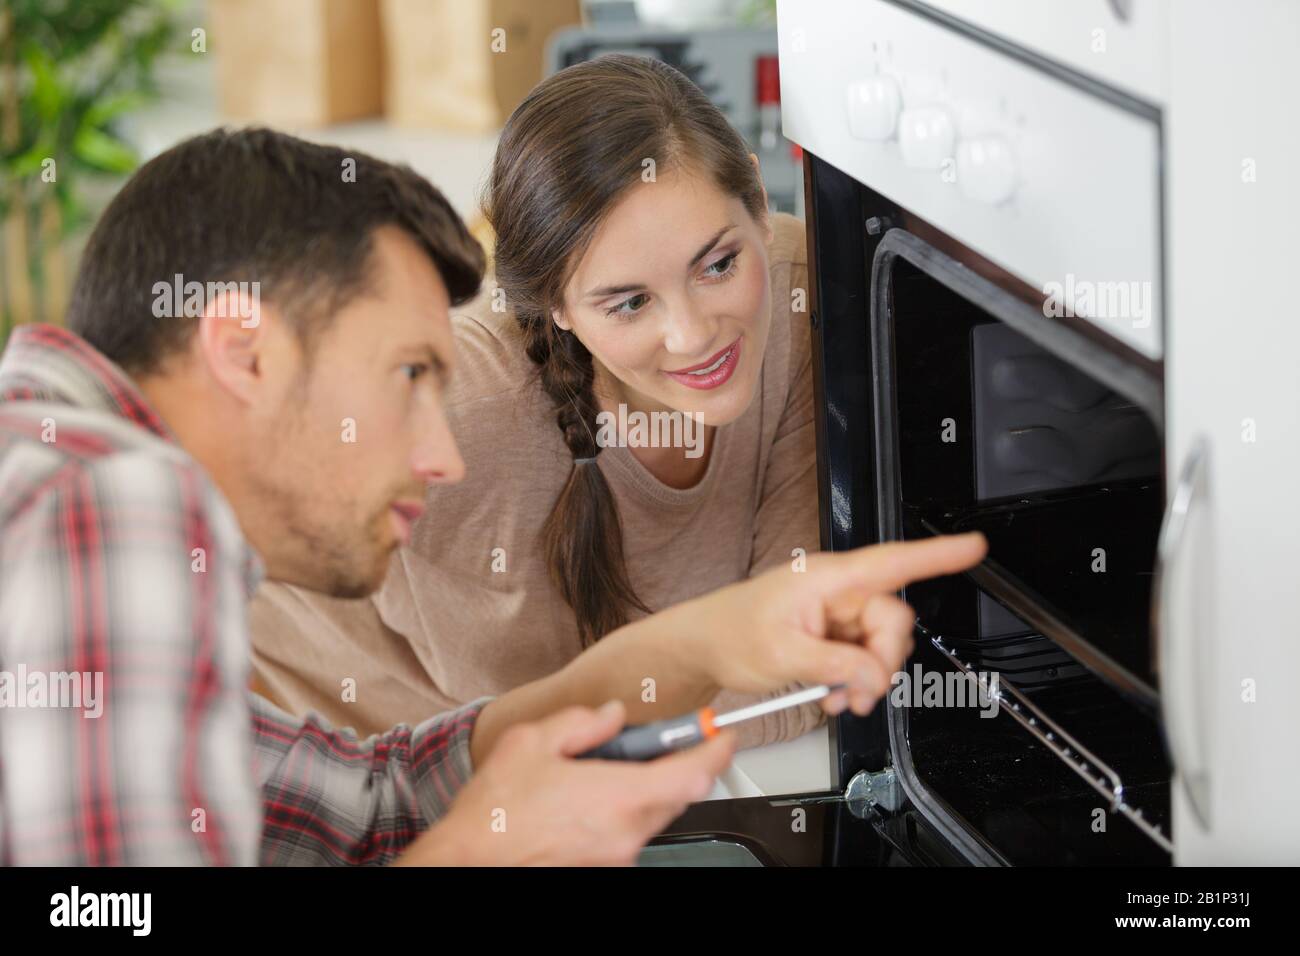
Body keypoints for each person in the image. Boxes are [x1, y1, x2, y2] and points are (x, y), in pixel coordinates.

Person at [0, 126, 985, 866]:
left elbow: (373, 803)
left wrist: (703, 644)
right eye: (406, 375)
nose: (443, 454)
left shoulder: (68, 488)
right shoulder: (113, 507)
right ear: (245, 353)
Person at [250, 55, 828, 747]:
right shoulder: (456, 398)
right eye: (630, 302)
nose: (694, 334)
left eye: (719, 265)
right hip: (351, 767)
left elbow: (795, 648)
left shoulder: (799, 296)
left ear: (760, 205)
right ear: (555, 305)